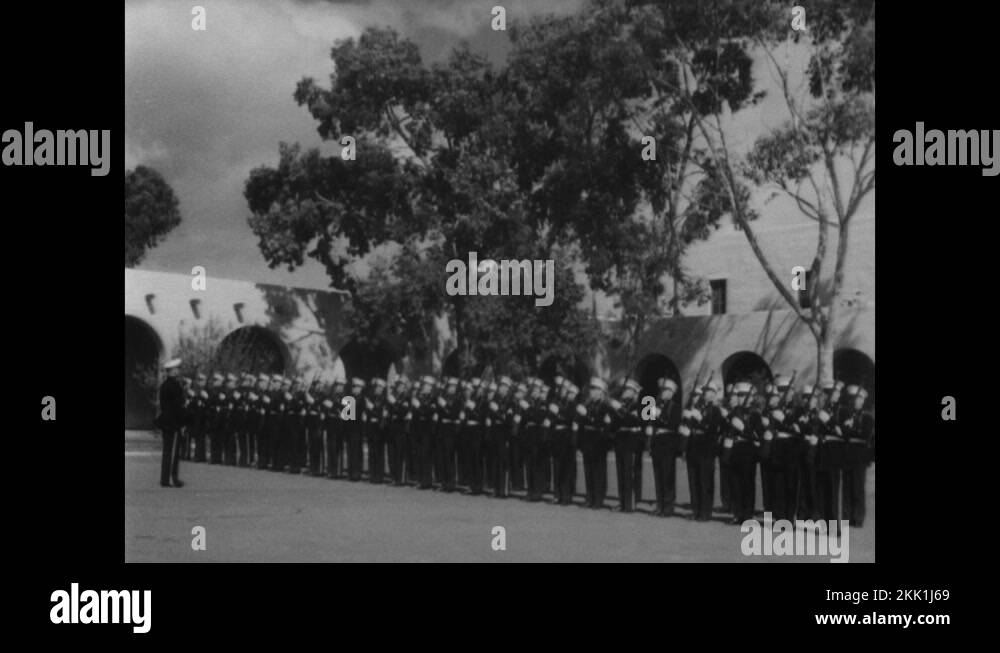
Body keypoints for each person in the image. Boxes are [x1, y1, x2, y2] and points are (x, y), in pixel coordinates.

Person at [841, 386, 874, 527]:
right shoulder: (844, 414)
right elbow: (842, 433)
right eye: (854, 399)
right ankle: (847, 516)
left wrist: (851, 428)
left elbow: (865, 434)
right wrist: (848, 429)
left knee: (858, 487)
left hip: (860, 454)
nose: (856, 402)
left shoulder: (867, 417)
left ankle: (858, 517)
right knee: (847, 486)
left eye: (859, 399)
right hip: (848, 453)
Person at [648, 377, 681, 516]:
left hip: (668, 444)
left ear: (672, 392)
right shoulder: (657, 404)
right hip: (657, 445)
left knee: (667, 477)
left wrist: (660, 417)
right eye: (662, 390)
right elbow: (648, 421)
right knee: (658, 476)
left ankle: (668, 507)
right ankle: (660, 504)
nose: (663, 392)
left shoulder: (675, 406)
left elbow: (674, 424)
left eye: (666, 390)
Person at [156, 359, 186, 488]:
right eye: (176, 369)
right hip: (173, 423)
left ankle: (167, 477)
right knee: (172, 451)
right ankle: (170, 478)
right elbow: (177, 407)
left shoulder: (165, 385)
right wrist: (182, 422)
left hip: (167, 422)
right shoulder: (173, 386)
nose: (177, 371)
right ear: (171, 371)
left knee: (168, 451)